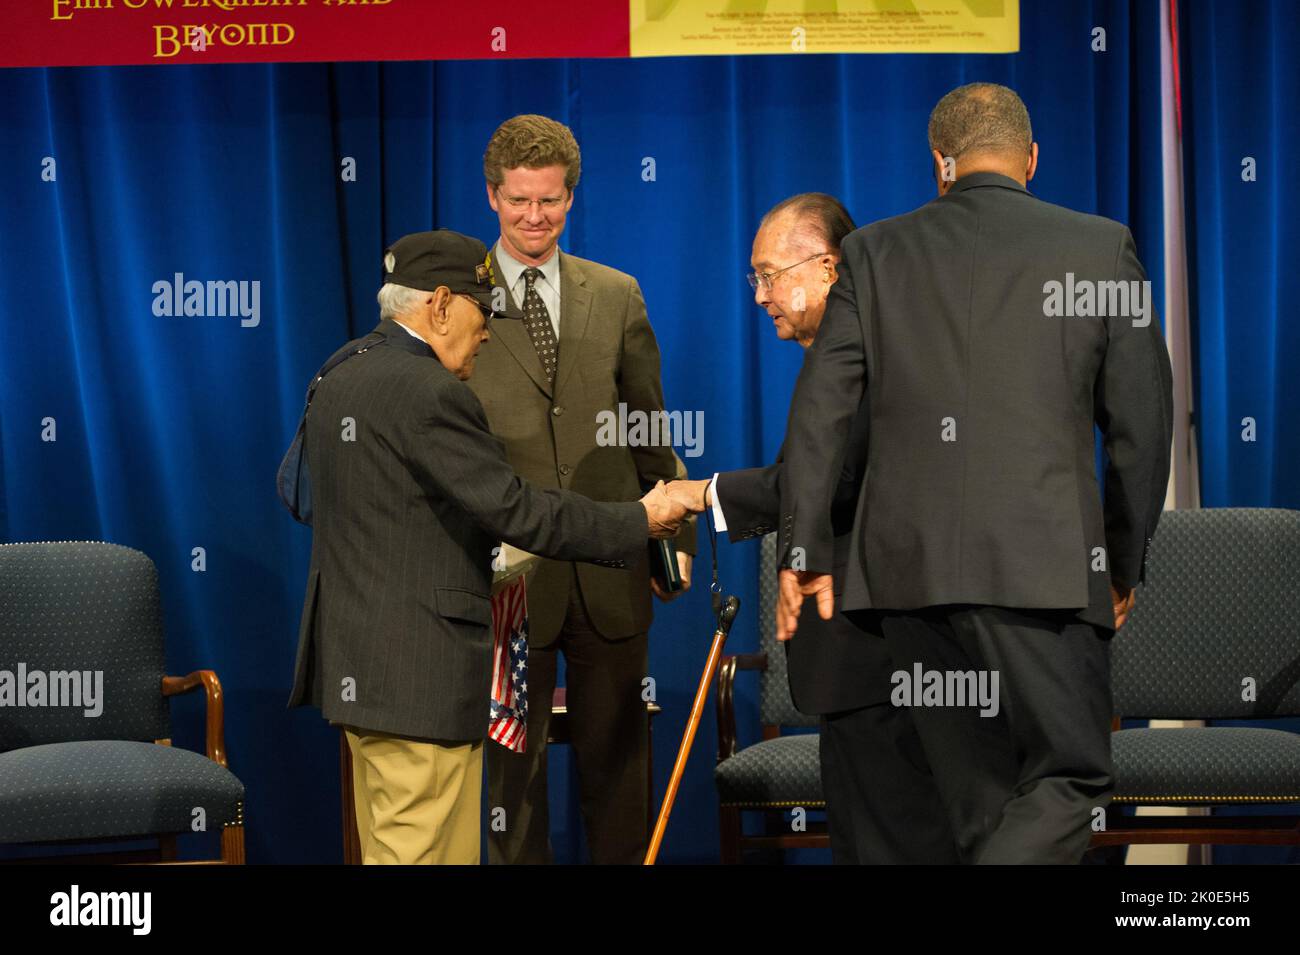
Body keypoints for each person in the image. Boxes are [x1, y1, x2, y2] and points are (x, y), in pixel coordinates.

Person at [775, 83, 1174, 864]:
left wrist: (805, 550)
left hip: (909, 582)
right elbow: (1142, 427)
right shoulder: (1098, 247)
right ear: (1031, 158)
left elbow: (820, 413)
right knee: (1070, 778)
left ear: (940, 165)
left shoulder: (873, 253)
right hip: (1047, 575)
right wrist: (1121, 563)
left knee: (978, 802)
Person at [285, 229, 694, 865]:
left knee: (390, 850)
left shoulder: (340, 371)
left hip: (360, 671)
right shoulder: (431, 392)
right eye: (483, 313)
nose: (487, 333)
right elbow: (517, 510)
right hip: (420, 678)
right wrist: (638, 520)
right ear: (440, 304)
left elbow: (326, 502)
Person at [667, 193, 958, 864]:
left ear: (828, 266)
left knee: (892, 844)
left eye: (770, 274)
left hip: (879, 651)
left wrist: (699, 492)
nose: (761, 294)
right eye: (755, 277)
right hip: (865, 660)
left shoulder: (863, 360)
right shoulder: (853, 349)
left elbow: (822, 481)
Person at [466, 114, 697, 865]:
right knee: (512, 785)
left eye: (552, 201)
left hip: (611, 568)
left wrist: (677, 540)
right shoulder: (456, 300)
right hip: (505, 581)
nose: (536, 217)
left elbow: (647, 427)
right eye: (520, 201)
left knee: (619, 775)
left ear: (572, 197)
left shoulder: (617, 293)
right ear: (493, 196)